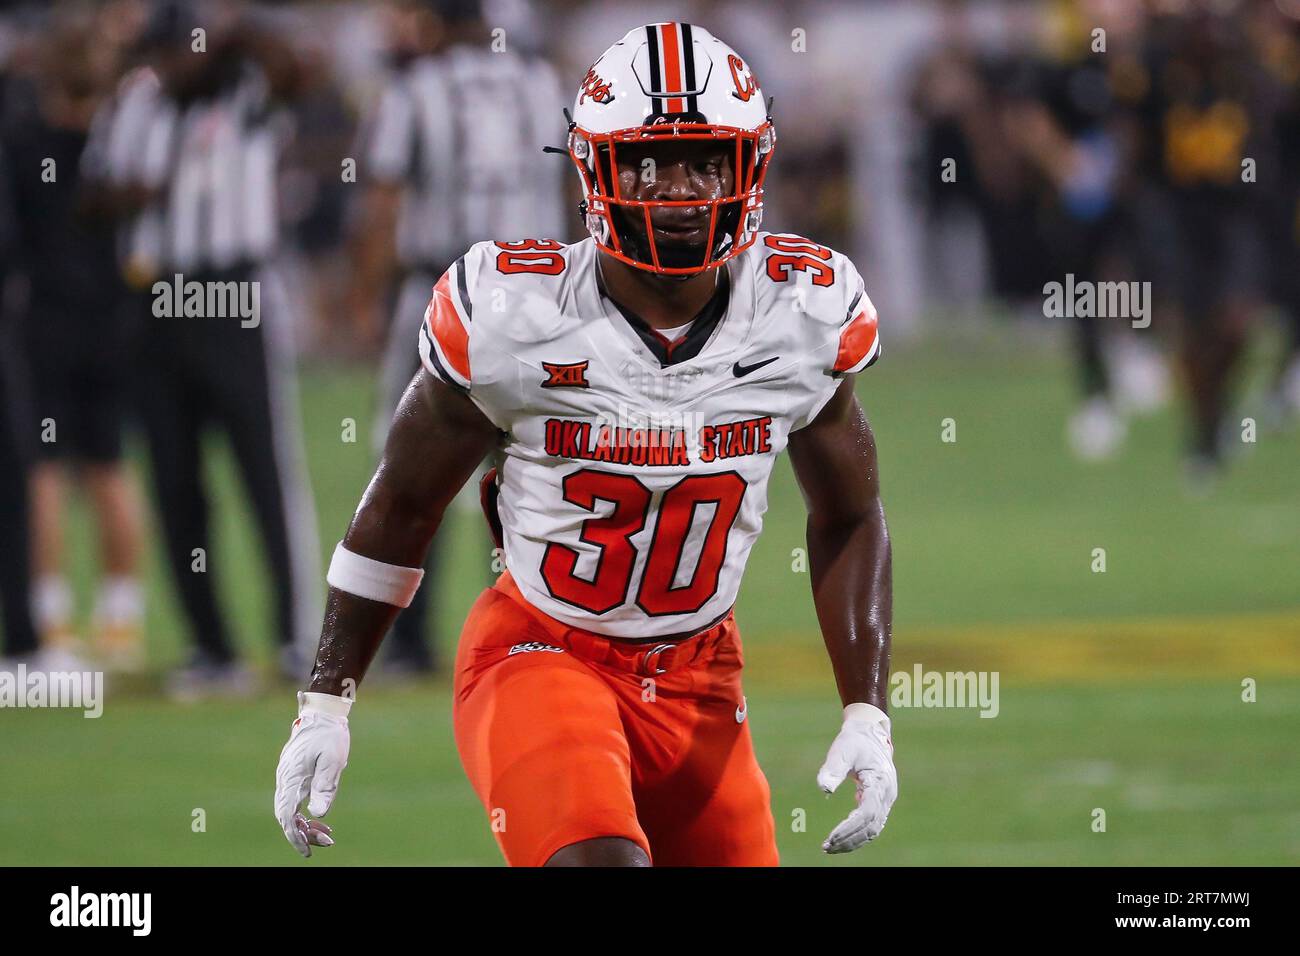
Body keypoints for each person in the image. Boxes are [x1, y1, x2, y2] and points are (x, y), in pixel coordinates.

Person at [275, 23, 896, 866]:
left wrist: (867, 708)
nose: (679, 190)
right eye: (648, 161)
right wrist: (327, 699)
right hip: (541, 650)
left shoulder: (800, 316)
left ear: (749, 166)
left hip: (703, 675)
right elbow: (402, 504)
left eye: (706, 160)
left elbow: (853, 514)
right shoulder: (515, 316)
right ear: (594, 170)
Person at [85, 4, 321, 694]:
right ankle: (209, 645)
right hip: (156, 299)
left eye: (178, 51)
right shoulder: (137, 106)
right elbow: (92, 189)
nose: (166, 65)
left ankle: (295, 637)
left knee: (265, 472)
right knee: (175, 478)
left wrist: (234, 34)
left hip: (232, 297)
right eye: (158, 53)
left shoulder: (243, 90)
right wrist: (132, 194)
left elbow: (297, 70)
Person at [349, 0, 565, 674]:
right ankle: (534, 630)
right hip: (536, 295)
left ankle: (406, 643)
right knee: (532, 464)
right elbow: (578, 190)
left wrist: (362, 295)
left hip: (441, 291)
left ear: (434, 25)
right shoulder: (541, 82)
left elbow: (383, 200)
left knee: (414, 467)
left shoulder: (416, 89)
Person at [6, 17, 146, 670]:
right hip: (114, 320)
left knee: (42, 473)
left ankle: (51, 617)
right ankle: (122, 620)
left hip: (44, 323)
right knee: (110, 468)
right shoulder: (121, 143)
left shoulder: (21, 138)